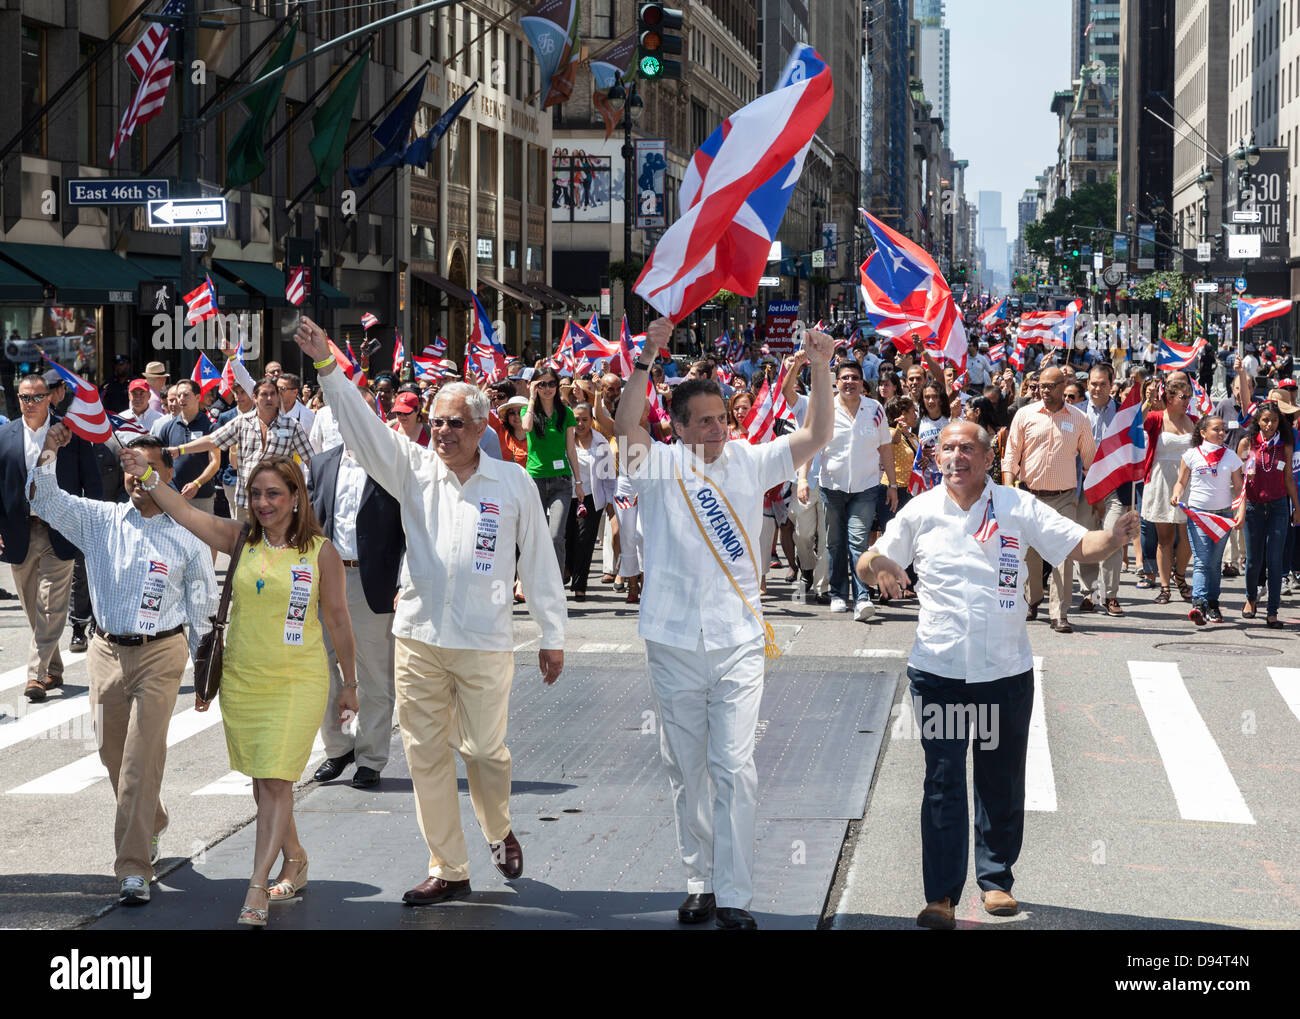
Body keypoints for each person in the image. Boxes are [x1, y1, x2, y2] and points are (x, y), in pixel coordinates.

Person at [293, 316, 566, 907]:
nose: (441, 433)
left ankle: (497, 829)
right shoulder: (413, 470)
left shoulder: (512, 482)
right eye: (436, 422)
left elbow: (540, 561)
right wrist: (326, 369)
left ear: (481, 426)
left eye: (454, 424)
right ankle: (449, 865)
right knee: (425, 753)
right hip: (418, 636)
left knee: (484, 752)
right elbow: (363, 431)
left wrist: (553, 632)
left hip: (485, 642)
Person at [860, 420, 1139, 930]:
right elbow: (870, 558)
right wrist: (879, 567)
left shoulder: (1015, 506)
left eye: (967, 448)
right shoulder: (920, 511)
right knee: (942, 783)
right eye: (948, 447)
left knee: (1001, 782)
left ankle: (996, 883)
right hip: (939, 673)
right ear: (936, 455)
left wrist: (1113, 537)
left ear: (989, 458)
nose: (956, 456)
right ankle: (940, 897)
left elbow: (1079, 546)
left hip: (1004, 672)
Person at [613, 318, 835, 931]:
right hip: (673, 638)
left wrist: (819, 366)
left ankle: (734, 893)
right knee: (686, 766)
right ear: (678, 427)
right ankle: (699, 880)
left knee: (733, 765)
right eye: (703, 421)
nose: (717, 429)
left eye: (721, 419)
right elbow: (625, 425)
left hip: (738, 640)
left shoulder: (749, 460)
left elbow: (817, 433)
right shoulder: (657, 466)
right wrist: (647, 355)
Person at [116, 451, 357, 927]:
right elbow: (183, 512)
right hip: (244, 680)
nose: (264, 503)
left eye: (274, 494)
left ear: (295, 498)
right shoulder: (239, 538)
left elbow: (339, 621)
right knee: (264, 779)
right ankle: (295, 858)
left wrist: (350, 683)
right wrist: (147, 474)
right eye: (256, 494)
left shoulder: (321, 552)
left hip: (296, 682)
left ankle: (256, 885)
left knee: (277, 778)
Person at [29, 430, 217, 906]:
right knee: (114, 756)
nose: (137, 476)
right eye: (131, 466)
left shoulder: (188, 533)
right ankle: (150, 819)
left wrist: (207, 672)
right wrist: (48, 446)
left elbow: (203, 608)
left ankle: (133, 867)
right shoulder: (101, 519)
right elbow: (45, 499)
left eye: (148, 467)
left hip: (162, 653)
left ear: (169, 475)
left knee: (137, 759)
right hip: (106, 651)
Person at [308, 439, 405, 788]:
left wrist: (403, 581)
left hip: (373, 582)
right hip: (325, 578)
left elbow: (408, 523)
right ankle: (338, 749)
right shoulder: (321, 463)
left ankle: (370, 758)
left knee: (374, 674)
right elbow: (308, 516)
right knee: (318, 669)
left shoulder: (390, 461)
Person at [0, 373, 102, 702]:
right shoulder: (5, 435)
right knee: (33, 607)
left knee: (50, 606)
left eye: (36, 397)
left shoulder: (70, 433)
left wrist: (93, 524)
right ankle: (53, 668)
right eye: (24, 398)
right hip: (19, 531)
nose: (29, 404)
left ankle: (36, 675)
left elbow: (93, 482)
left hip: (61, 529)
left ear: (50, 398)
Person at [797, 358, 895, 621]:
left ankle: (862, 597)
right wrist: (803, 479)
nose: (849, 382)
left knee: (858, 541)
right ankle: (839, 593)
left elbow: (885, 446)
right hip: (832, 487)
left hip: (866, 487)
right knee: (835, 543)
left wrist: (893, 484)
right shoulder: (825, 409)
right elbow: (810, 445)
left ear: (862, 382)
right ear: (837, 382)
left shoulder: (875, 409)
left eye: (854, 377)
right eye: (845, 378)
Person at [1002, 365, 1095, 634]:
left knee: (1062, 555)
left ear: (1063, 386)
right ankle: (1033, 600)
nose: (1044, 390)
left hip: (1064, 498)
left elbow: (1089, 460)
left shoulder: (1079, 419)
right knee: (1030, 554)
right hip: (1029, 496)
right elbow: (1011, 455)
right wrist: (1009, 489)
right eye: (1041, 385)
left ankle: (1059, 613)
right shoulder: (1024, 414)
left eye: (1050, 386)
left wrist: (1097, 491)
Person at [176, 377, 314, 522]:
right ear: (254, 397)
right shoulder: (241, 422)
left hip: (279, 502)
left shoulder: (292, 426)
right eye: (264, 394)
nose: (269, 398)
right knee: (245, 544)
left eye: (273, 394)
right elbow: (212, 440)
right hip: (247, 502)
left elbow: (311, 459)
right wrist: (180, 450)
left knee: (279, 544)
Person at [1169, 415, 1244, 625]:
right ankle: (1199, 604)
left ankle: (1213, 603)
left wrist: (1241, 511)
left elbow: (1239, 487)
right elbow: (1181, 482)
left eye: (1223, 430)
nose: (1221, 433)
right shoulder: (1191, 455)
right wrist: (1176, 494)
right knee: (1202, 560)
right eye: (1216, 429)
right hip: (1198, 515)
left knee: (1214, 562)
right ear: (1203, 433)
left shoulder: (1230, 457)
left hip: (1223, 516)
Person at [1237, 403, 1300, 625]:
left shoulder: (1285, 444)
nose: (1270, 424)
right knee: (1254, 560)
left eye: (1274, 420)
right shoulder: (1247, 443)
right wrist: (1241, 508)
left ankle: (1273, 611)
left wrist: (1296, 508)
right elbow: (1239, 480)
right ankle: (1251, 598)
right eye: (1265, 420)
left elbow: (1289, 479)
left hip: (1278, 507)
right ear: (1258, 421)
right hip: (1253, 506)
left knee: (1274, 560)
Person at [1076, 363, 1127, 616]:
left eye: (1102, 384)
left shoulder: (1124, 413)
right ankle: (1088, 593)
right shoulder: (1074, 412)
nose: (1097, 388)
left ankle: (1110, 595)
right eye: (1093, 384)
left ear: (1112, 384)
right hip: (1083, 487)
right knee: (1086, 539)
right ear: (1087, 385)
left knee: (1112, 537)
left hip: (1114, 487)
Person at [1141, 378, 1196, 604]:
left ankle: (1180, 575)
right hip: (1161, 480)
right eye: (1183, 397)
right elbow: (1136, 423)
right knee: (1164, 538)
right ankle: (1165, 587)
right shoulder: (1156, 417)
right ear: (1170, 398)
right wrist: (1147, 400)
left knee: (1189, 537)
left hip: (1189, 482)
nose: (1187, 402)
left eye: (1189, 397)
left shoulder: (1194, 421)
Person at [521, 366, 580, 569]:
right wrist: (531, 397)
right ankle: (534, 580)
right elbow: (526, 426)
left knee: (555, 536)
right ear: (535, 386)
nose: (547, 388)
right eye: (542, 384)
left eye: (551, 383)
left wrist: (579, 482)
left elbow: (571, 450)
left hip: (561, 481)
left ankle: (556, 584)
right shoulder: (526, 410)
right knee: (535, 536)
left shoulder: (567, 413)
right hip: (534, 480)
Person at [565, 403, 615, 600]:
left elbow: (608, 475)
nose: (580, 423)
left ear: (591, 420)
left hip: (591, 498)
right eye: (576, 419)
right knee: (567, 537)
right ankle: (567, 568)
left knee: (585, 541)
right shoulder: (565, 438)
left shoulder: (600, 443)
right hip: (566, 495)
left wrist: (610, 502)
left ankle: (580, 584)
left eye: (584, 419)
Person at [157, 380, 221, 517]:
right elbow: (159, 461)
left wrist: (197, 484)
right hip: (173, 497)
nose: (181, 399)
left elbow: (215, 463)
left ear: (198, 397)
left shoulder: (210, 426)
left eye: (186, 395)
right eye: (179, 395)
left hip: (202, 497)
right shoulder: (167, 428)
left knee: (203, 538)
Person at [493, 395, 529, 467]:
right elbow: (484, 413)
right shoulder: (500, 430)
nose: (516, 416)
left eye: (521, 412)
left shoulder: (539, 434)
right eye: (512, 413)